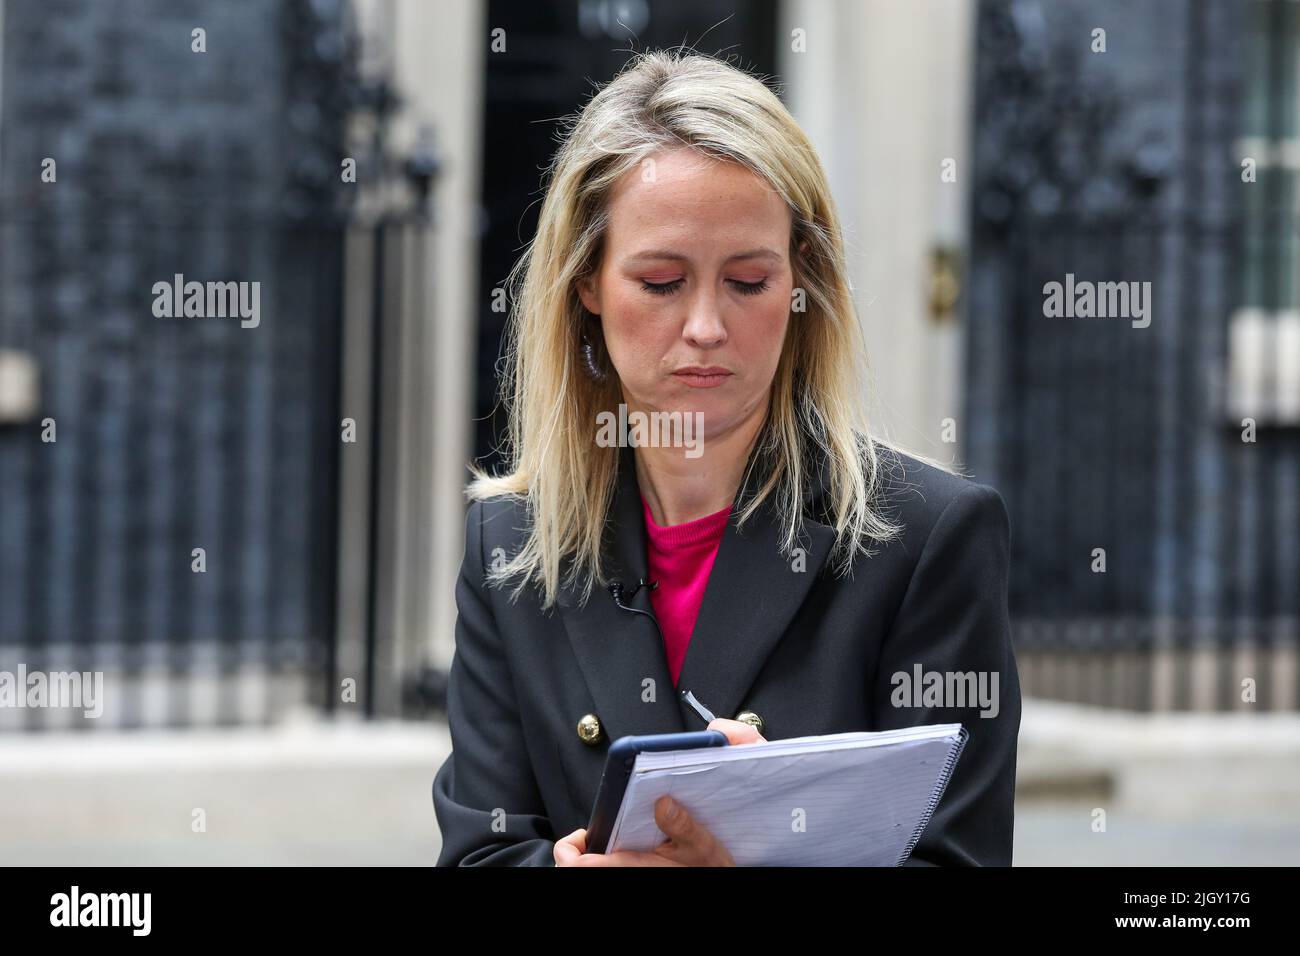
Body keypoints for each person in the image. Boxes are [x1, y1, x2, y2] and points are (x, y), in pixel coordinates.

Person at [432, 49, 1020, 867]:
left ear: (800, 284)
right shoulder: (511, 543)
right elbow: (478, 854)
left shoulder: (926, 538)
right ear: (587, 284)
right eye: (662, 282)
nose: (705, 327)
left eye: (747, 281)